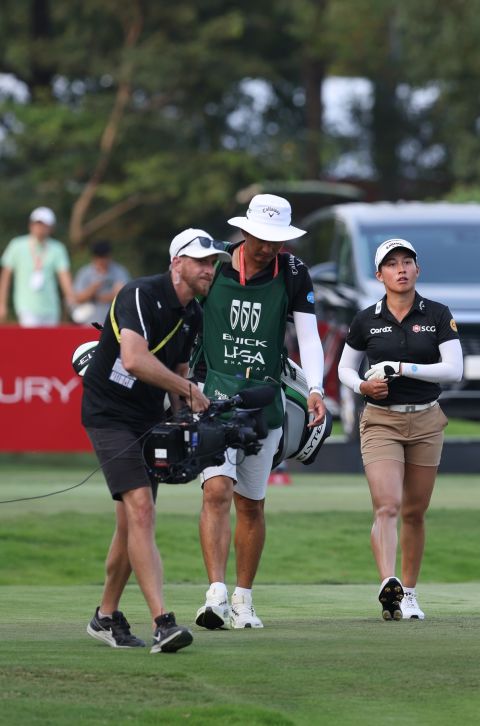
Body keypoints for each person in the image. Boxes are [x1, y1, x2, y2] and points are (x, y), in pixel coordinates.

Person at [81, 228, 226, 653]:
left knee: (131, 522)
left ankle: (105, 617)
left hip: (148, 419)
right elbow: (134, 358)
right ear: (176, 262)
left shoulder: (194, 314)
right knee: (141, 510)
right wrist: (187, 390)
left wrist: (185, 423)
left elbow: (179, 369)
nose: (209, 269)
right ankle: (164, 623)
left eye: (213, 262)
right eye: (201, 261)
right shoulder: (139, 294)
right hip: (109, 415)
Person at [193, 196, 327, 630]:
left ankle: (243, 599)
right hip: (212, 395)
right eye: (262, 238)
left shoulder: (292, 271)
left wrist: (316, 387)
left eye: (277, 240)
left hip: (263, 399)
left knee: (250, 504)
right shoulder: (211, 265)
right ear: (245, 231)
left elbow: (307, 336)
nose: (269, 247)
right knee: (215, 490)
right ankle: (214, 593)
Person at [337, 238, 463, 621]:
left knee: (414, 512)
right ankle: (388, 583)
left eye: (407, 262)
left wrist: (401, 368)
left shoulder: (438, 314)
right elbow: (344, 368)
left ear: (417, 270)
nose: (401, 269)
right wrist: (362, 385)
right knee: (388, 505)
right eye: (392, 264)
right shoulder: (366, 319)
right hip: (380, 420)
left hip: (426, 420)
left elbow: (454, 369)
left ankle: (409, 593)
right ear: (380, 275)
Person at [0, 206, 75, 326]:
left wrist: (72, 300)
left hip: (51, 307)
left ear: (51, 228)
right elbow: (5, 277)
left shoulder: (57, 249)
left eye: (44, 224)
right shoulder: (17, 245)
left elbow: (64, 277)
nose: (40, 228)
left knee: (49, 343)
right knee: (31, 341)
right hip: (26, 306)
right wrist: (2, 304)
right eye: (37, 223)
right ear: (31, 225)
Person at [72, 241, 131, 325]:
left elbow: (126, 297)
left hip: (114, 322)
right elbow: (77, 298)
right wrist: (92, 289)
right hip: (89, 323)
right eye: (99, 258)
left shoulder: (119, 272)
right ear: (94, 257)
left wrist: (98, 297)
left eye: (105, 257)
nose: (102, 261)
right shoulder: (85, 273)